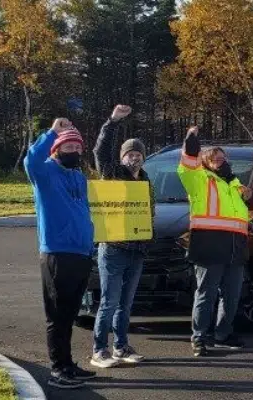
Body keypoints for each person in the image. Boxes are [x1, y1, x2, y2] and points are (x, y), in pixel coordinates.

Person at [24, 118, 96, 389]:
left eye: (78, 147)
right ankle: (57, 370)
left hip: (81, 253)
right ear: (56, 150)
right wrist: (52, 132)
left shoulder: (79, 177)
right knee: (57, 315)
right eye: (68, 147)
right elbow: (30, 161)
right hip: (57, 253)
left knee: (70, 315)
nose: (74, 151)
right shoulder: (45, 173)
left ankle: (68, 364)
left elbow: (83, 213)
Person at [177, 126, 253, 357]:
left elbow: (246, 213)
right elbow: (187, 164)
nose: (220, 161)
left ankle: (223, 334)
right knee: (206, 294)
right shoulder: (200, 180)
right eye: (215, 159)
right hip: (210, 245)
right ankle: (199, 337)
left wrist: (251, 198)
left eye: (222, 158)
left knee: (231, 296)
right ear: (205, 162)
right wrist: (191, 139)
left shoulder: (235, 185)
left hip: (235, 247)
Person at [90, 105, 154, 368]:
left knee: (125, 305)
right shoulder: (112, 173)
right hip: (114, 248)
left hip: (136, 250)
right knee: (109, 302)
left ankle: (121, 346)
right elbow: (100, 152)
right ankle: (99, 350)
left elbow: (149, 213)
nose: (134, 158)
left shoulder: (146, 180)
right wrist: (112, 122)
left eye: (138, 153)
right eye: (129, 154)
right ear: (122, 157)